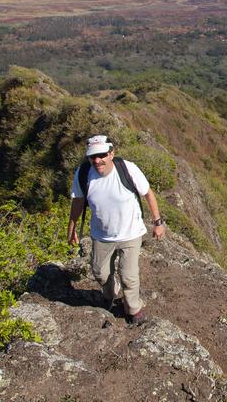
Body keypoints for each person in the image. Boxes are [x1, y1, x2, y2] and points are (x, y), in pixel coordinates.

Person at [67, 135, 165, 324]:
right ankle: (111, 293)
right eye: (92, 157)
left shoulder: (127, 169)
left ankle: (133, 309)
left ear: (112, 153)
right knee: (100, 272)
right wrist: (71, 228)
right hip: (102, 235)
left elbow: (147, 193)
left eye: (102, 155)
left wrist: (157, 222)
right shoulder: (83, 173)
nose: (97, 160)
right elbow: (78, 201)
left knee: (129, 276)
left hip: (130, 233)